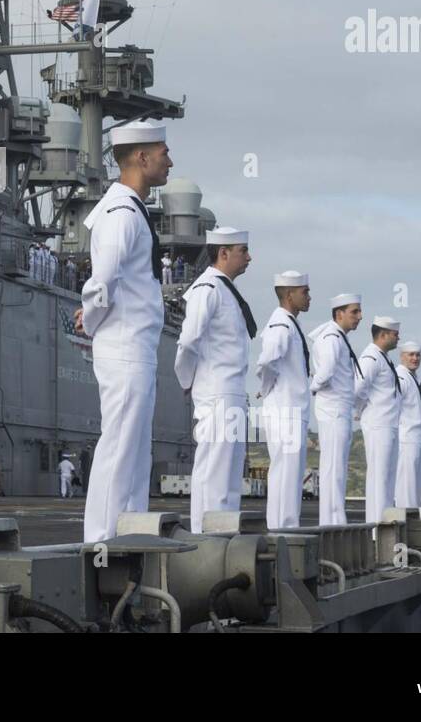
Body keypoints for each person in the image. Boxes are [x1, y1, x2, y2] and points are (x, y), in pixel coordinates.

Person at [76, 120, 173, 541]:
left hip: (136, 345)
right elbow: (104, 280)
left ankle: (128, 536)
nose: (170, 161)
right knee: (119, 446)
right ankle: (102, 542)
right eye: (164, 153)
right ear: (141, 157)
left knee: (134, 449)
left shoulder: (132, 210)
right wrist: (91, 319)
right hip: (124, 344)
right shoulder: (120, 213)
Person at [175, 227, 255, 533]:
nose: (249, 257)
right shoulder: (206, 289)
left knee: (230, 477)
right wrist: (188, 381)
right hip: (217, 393)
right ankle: (205, 541)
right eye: (242, 251)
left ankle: (224, 539)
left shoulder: (226, 291)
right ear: (223, 253)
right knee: (213, 473)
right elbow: (189, 340)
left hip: (232, 393)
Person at [255, 270, 312, 530]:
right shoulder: (281, 324)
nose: (309, 297)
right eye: (304, 292)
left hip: (291, 408)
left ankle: (284, 530)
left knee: (290, 475)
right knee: (286, 475)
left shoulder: (288, 322)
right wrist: (267, 389)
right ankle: (284, 533)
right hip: (285, 409)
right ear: (290, 295)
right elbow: (267, 361)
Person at [308, 293, 363, 525]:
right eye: (354, 312)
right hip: (333, 410)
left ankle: (334, 519)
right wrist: (313, 388)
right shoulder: (331, 337)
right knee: (333, 468)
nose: (360, 317)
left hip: (339, 410)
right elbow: (327, 370)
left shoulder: (338, 337)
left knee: (336, 467)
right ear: (339, 314)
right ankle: (332, 522)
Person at [356, 315, 401, 525]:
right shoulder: (371, 358)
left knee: (388, 480)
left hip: (389, 424)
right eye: (395, 334)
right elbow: (358, 390)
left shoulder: (383, 357)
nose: (398, 338)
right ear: (383, 335)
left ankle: (385, 526)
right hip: (378, 425)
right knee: (379, 479)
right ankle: (376, 528)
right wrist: (366, 411)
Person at [394, 340, 421, 509]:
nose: (415, 358)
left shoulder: (413, 378)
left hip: (418, 437)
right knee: (406, 485)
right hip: (407, 437)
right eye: (411, 355)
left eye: (418, 355)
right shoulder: (401, 377)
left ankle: (412, 520)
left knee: (414, 485)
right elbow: (395, 406)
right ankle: (406, 520)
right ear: (402, 356)